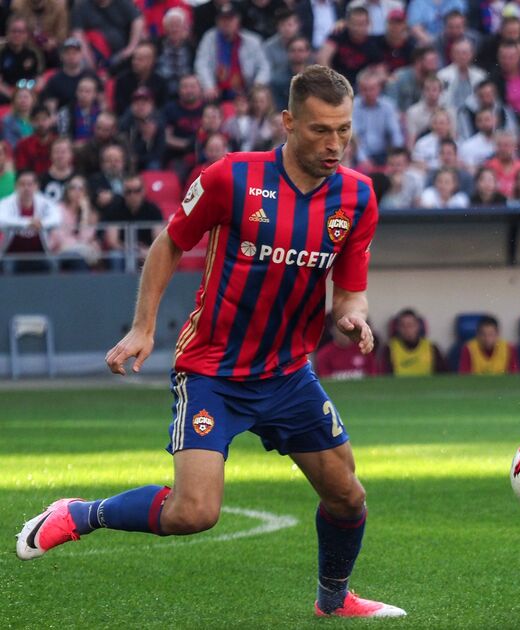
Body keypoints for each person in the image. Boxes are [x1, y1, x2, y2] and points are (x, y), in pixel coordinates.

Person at [15, 65, 405, 619]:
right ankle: (81, 513)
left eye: (344, 130)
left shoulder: (357, 197)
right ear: (288, 122)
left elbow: (349, 294)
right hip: (213, 372)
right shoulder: (233, 177)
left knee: (348, 497)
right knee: (193, 513)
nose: (334, 144)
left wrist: (353, 320)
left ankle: (334, 600)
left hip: (288, 375)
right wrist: (144, 326)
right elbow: (169, 244)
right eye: (320, 130)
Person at [385, 308, 446, 375]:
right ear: (398, 328)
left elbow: (443, 375)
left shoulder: (431, 348)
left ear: (418, 326)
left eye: (410, 325)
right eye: (403, 325)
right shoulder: (389, 349)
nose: (407, 329)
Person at [316, 317, 381, 380]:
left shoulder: (363, 349)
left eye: (346, 329)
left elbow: (373, 375)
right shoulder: (324, 354)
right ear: (333, 330)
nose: (343, 333)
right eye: (340, 330)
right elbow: (325, 380)